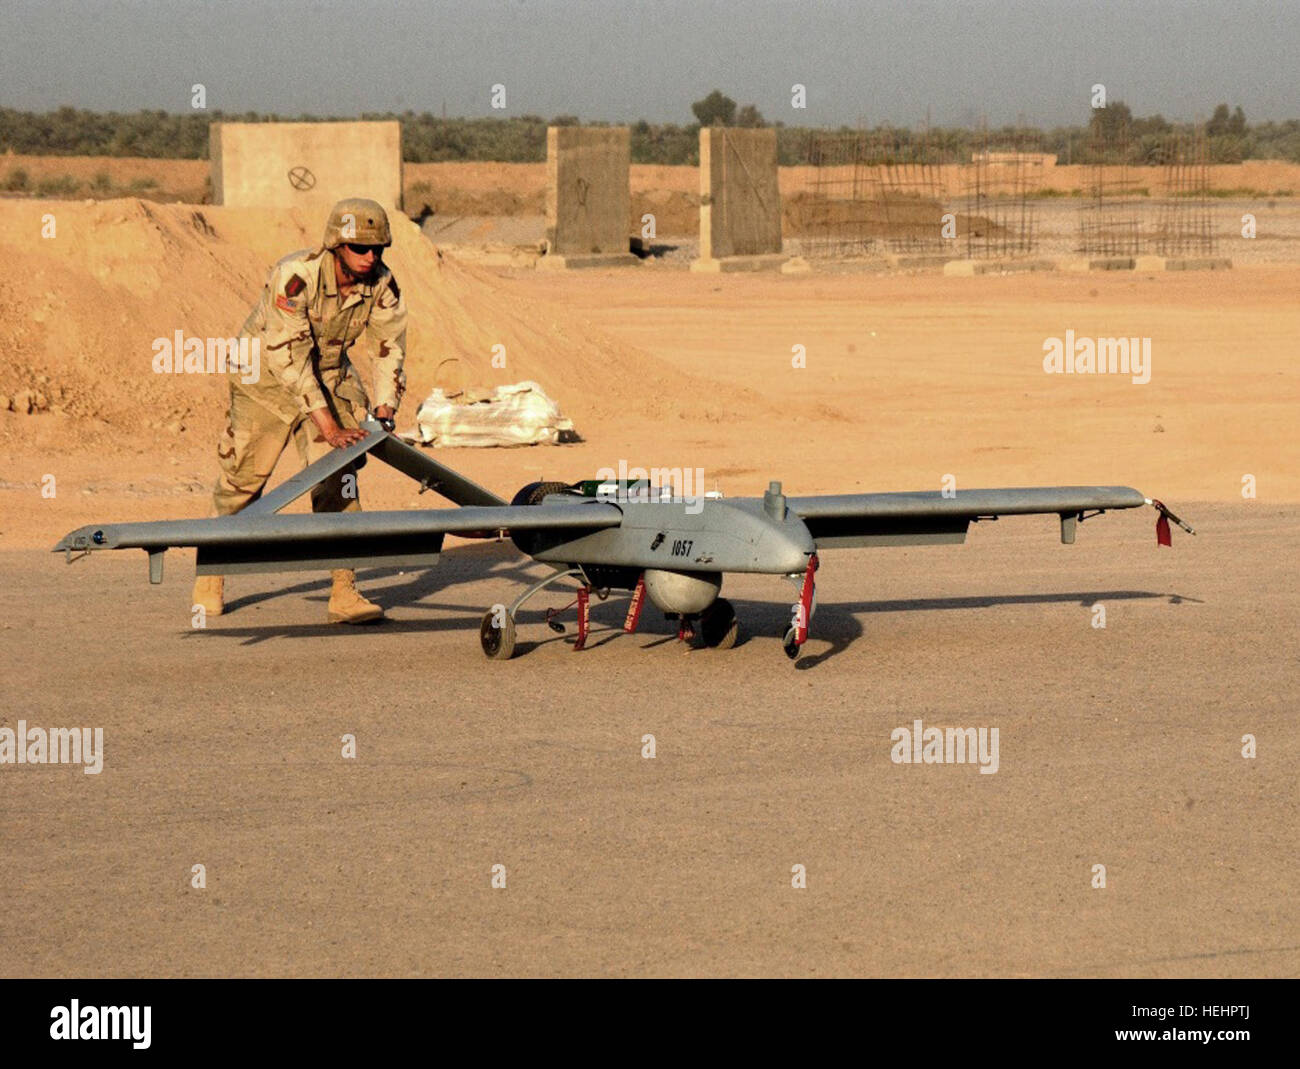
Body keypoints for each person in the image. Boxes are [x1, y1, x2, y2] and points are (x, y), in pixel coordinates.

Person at [191, 197, 407, 623]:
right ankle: (211, 572)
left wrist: (384, 409)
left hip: (328, 373)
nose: (370, 257)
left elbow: (388, 347)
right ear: (335, 245)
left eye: (377, 249)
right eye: (359, 248)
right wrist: (326, 424)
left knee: (338, 478)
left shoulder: (382, 284)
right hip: (264, 377)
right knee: (243, 480)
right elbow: (287, 356)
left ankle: (344, 592)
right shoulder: (295, 276)